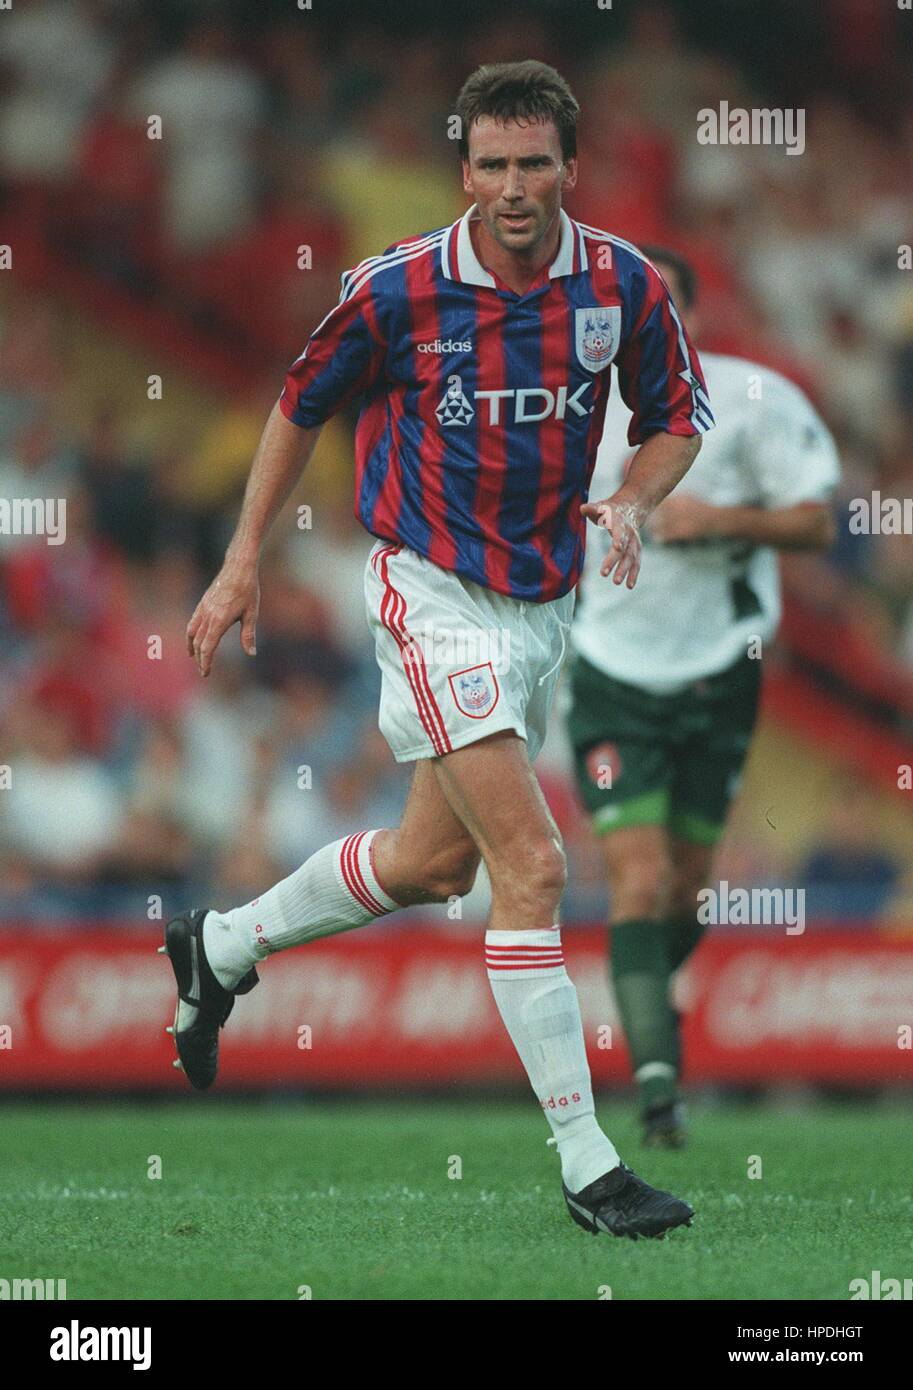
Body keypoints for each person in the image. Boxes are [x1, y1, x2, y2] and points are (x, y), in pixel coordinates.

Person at [165, 63, 712, 1240]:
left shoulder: (621, 284)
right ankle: (587, 1163)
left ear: (571, 165)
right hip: (428, 591)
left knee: (431, 868)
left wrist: (628, 499)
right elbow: (299, 401)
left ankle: (219, 948)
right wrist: (243, 556)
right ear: (463, 170)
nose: (514, 188)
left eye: (535, 164)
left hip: (542, 607)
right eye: (492, 165)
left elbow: (677, 419)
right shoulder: (399, 289)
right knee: (534, 865)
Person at [565, 246, 839, 1147]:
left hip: (721, 669)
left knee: (685, 890)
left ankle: (646, 1012)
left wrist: (714, 518)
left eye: (661, 305)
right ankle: (656, 1093)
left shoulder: (753, 400)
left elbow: (815, 520)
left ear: (689, 313)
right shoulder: (573, 408)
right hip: (609, 673)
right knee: (635, 881)